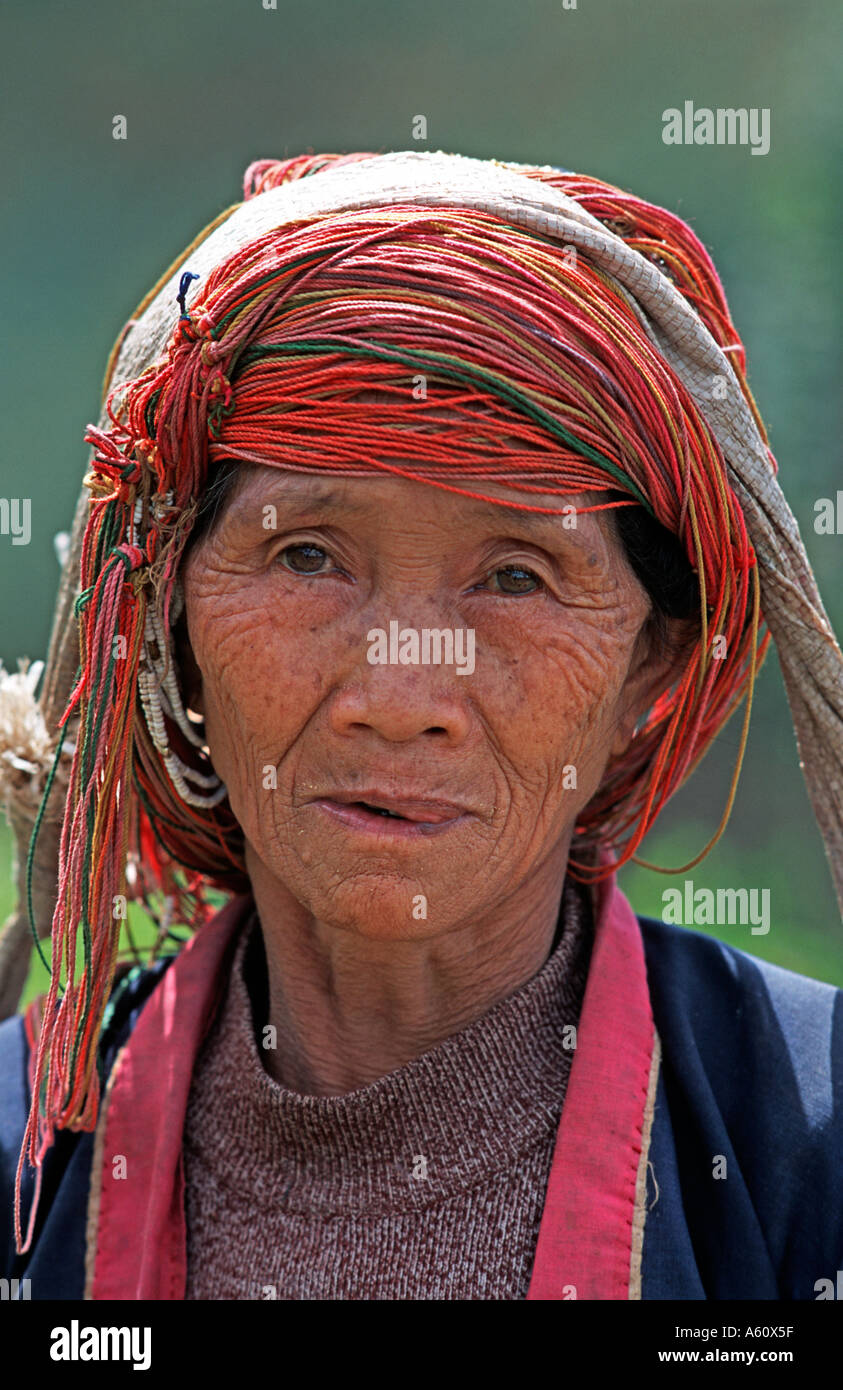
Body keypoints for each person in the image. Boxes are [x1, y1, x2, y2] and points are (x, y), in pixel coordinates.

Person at [0, 150, 841, 1301]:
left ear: (651, 661)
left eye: (517, 575)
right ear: (169, 621)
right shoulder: (23, 1161)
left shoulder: (810, 1151)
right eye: (307, 556)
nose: (398, 698)